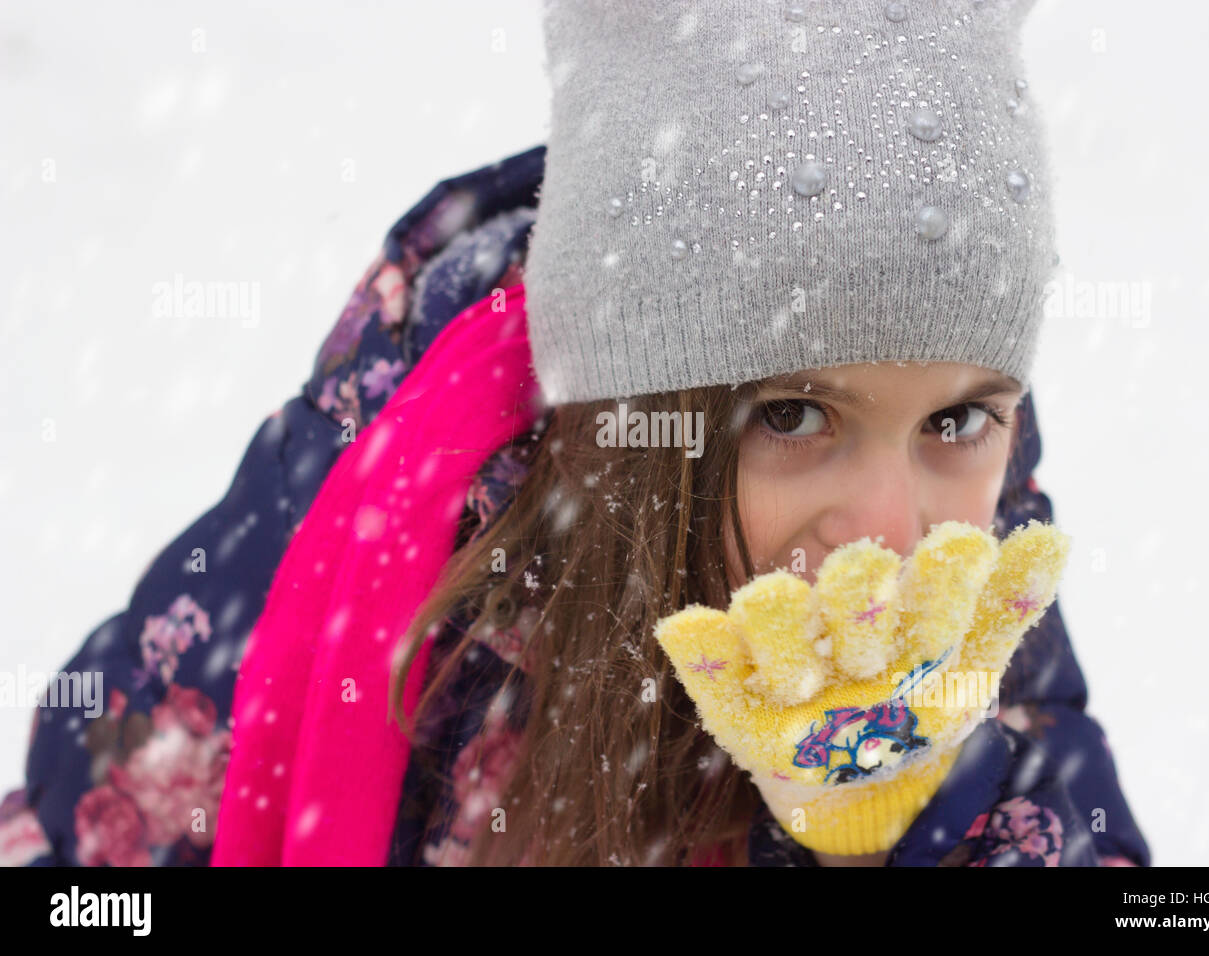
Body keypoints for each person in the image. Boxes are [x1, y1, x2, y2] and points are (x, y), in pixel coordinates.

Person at [0, 0, 1150, 867]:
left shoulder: (976, 597)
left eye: (957, 419)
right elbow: (90, 825)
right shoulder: (397, 499)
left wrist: (894, 815)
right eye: (795, 414)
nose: (892, 532)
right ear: (630, 427)